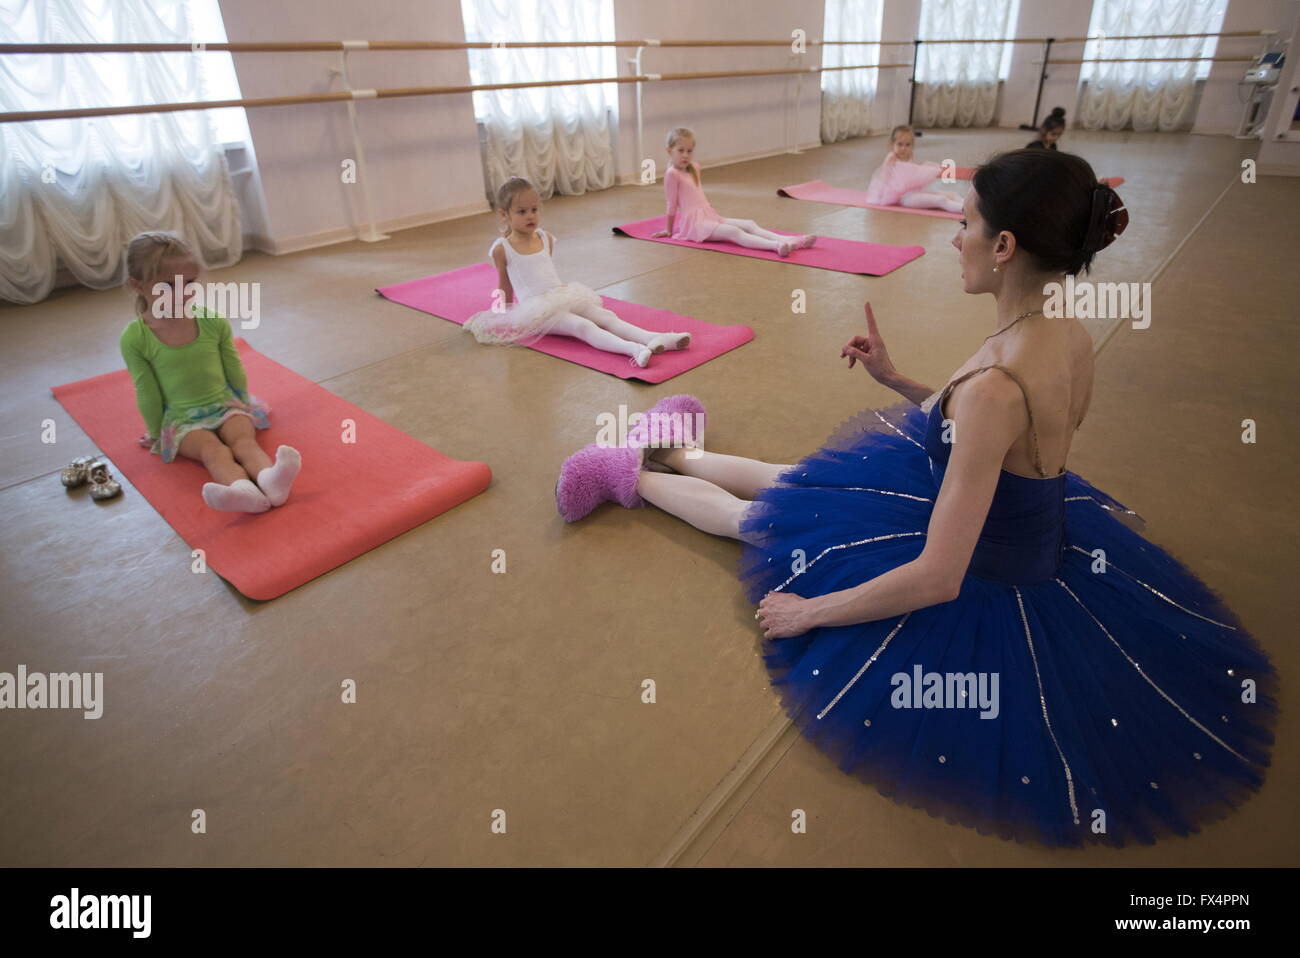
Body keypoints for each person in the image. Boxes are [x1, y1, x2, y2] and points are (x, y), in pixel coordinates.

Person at [554, 149, 1276, 847]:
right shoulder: (1066, 334)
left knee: (766, 523)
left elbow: (939, 575)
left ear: (1003, 246)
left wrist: (810, 610)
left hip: (979, 558)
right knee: (798, 479)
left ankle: (633, 475)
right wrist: (899, 380)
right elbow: (988, 433)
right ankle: (676, 450)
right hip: (1004, 510)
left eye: (965, 222)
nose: (954, 236)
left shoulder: (1000, 382)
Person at [120, 231, 300, 514]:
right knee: (213, 451)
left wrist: (242, 400)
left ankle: (272, 480)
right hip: (183, 419)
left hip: (225, 404)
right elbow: (146, 390)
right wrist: (156, 433)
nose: (183, 292)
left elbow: (232, 365)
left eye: (189, 282)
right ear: (138, 286)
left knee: (243, 441)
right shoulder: (135, 338)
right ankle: (243, 491)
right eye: (169, 285)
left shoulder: (211, 321)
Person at [464, 177, 690, 367]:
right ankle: (633, 350)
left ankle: (656, 338)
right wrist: (503, 314)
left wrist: (561, 296)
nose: (530, 216)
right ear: (505, 215)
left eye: (534, 210)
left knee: (605, 316)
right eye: (522, 212)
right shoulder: (502, 248)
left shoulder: (545, 237)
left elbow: (547, 272)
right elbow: (505, 285)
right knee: (581, 326)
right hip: (536, 309)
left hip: (559, 295)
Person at [652, 127, 817, 256]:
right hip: (695, 225)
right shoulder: (671, 174)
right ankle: (777, 246)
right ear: (669, 151)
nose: (685, 155)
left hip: (709, 216)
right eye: (680, 150)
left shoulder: (695, 167)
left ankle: (794, 240)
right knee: (733, 232)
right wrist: (669, 229)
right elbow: (671, 204)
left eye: (689, 151)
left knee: (749, 224)